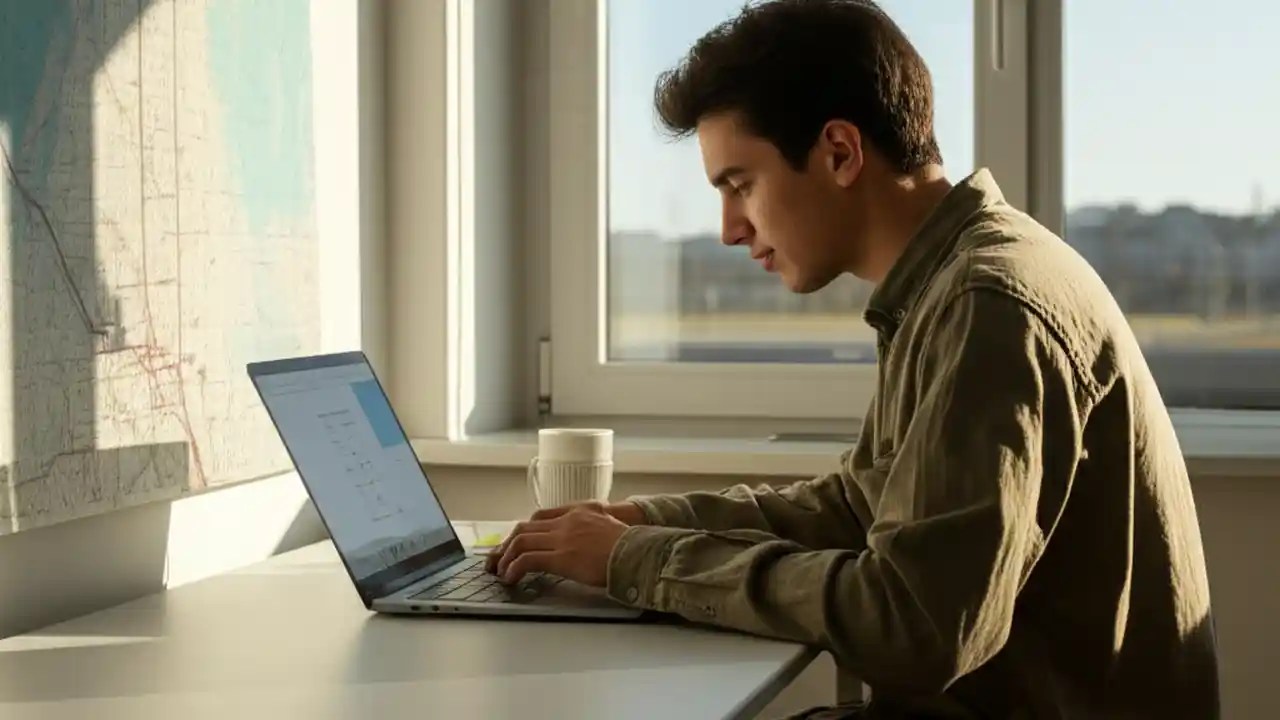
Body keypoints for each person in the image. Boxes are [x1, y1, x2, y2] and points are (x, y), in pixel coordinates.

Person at [487, 0, 1220, 716]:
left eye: (740, 184)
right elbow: (859, 504)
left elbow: (914, 625)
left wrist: (637, 560)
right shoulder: (952, 282)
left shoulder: (988, 304)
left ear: (839, 152)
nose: (728, 229)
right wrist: (640, 520)